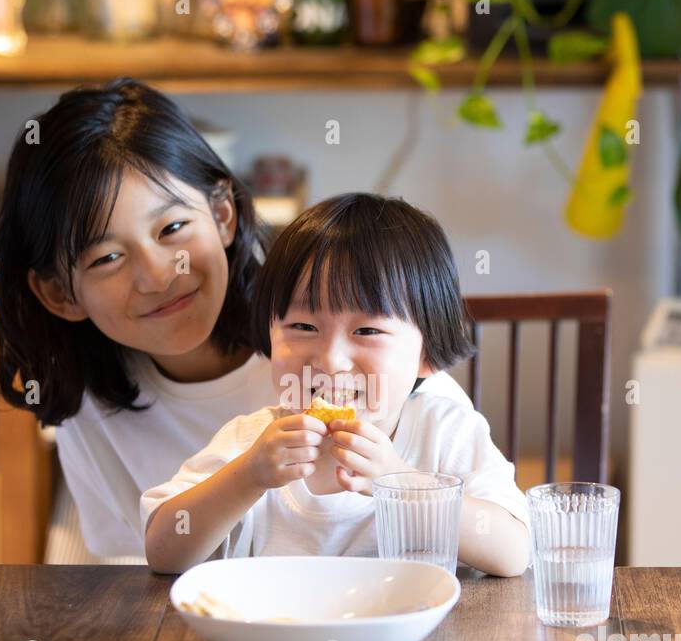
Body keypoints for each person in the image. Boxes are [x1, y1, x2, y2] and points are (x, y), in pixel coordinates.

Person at [0, 79, 473, 559]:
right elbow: (120, 566)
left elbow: (486, 534)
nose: (157, 276)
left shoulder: (333, 355)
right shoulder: (88, 401)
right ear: (59, 292)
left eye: (172, 228)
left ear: (223, 215)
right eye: (107, 258)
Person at [142, 193, 530, 577]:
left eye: (367, 330)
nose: (330, 360)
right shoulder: (253, 442)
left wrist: (402, 484)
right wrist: (248, 477)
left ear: (426, 353)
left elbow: (513, 552)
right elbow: (163, 551)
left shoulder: (444, 432)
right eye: (304, 327)